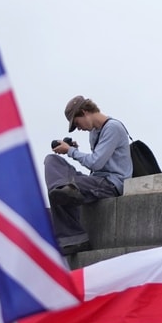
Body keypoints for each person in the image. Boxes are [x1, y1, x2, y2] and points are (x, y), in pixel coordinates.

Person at [44, 96, 133, 253]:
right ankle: (73, 234)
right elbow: (97, 161)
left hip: (111, 183)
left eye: (77, 124)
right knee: (51, 161)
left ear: (84, 112)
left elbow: (95, 163)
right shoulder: (94, 132)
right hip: (96, 180)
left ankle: (74, 238)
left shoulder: (113, 128)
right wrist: (74, 149)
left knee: (60, 189)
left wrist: (71, 151)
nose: (79, 128)